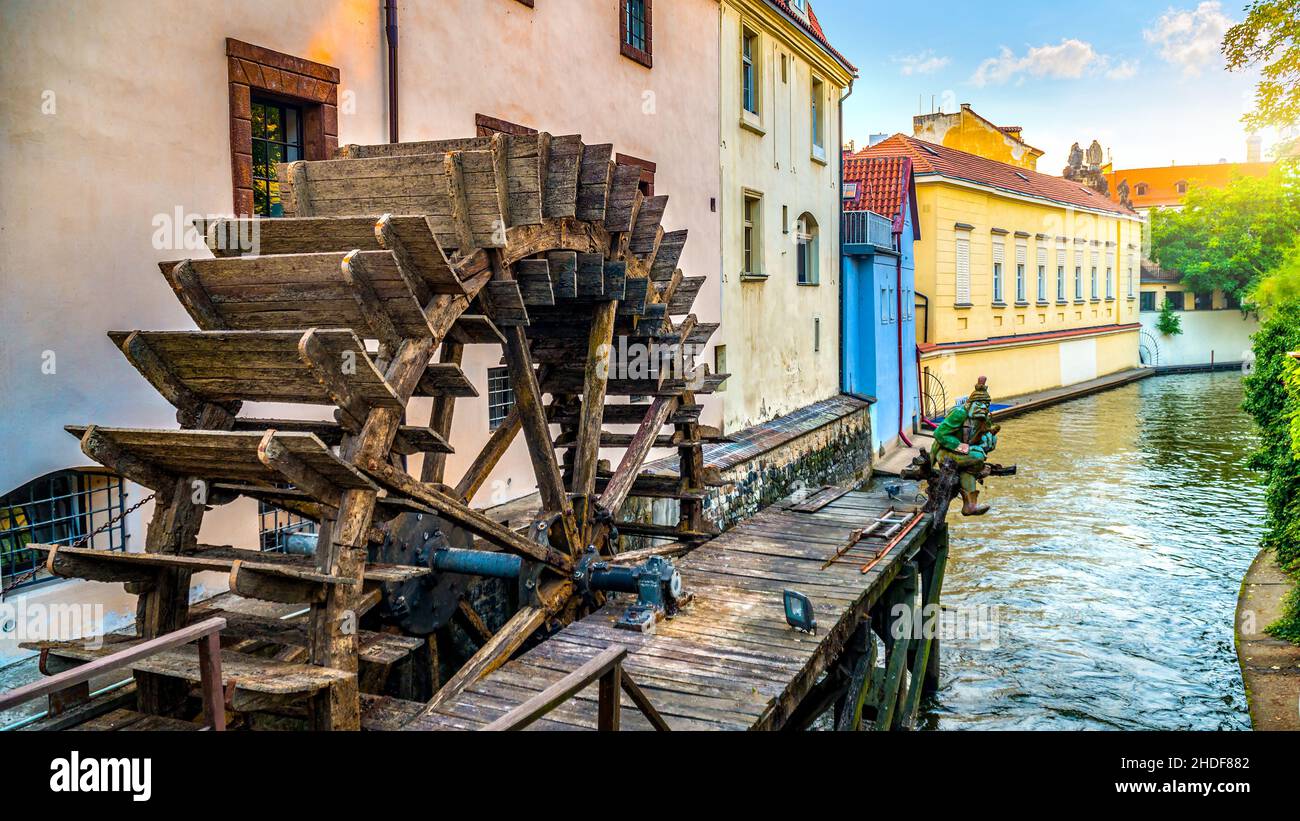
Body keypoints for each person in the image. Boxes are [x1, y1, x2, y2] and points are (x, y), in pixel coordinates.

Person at [930, 376, 999, 515]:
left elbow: (986, 435)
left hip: (962, 455)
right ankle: (978, 472)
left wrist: (989, 440)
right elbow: (939, 434)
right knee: (977, 457)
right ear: (970, 403)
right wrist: (963, 447)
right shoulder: (960, 413)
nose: (984, 408)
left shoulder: (982, 418)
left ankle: (970, 506)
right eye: (980, 404)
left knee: (972, 462)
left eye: (986, 405)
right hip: (945, 453)